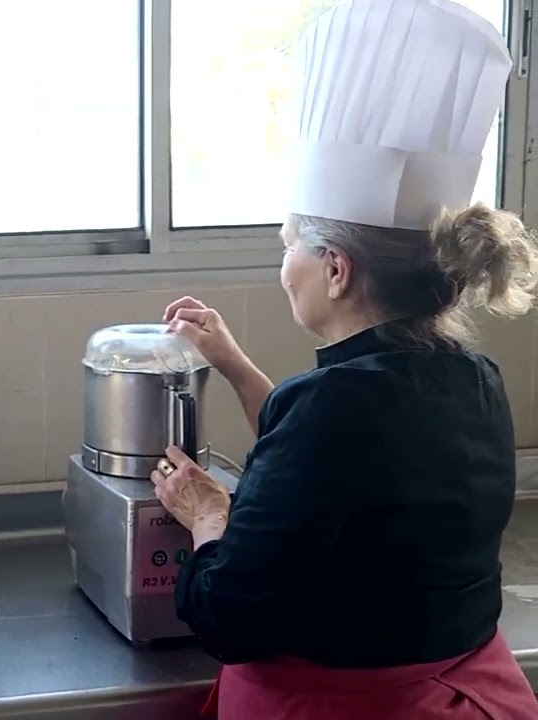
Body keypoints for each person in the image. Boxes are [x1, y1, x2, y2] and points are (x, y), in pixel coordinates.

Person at [149, 1, 538, 719]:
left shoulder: (334, 410)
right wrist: (233, 362)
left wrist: (207, 515)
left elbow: (226, 619)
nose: (283, 263)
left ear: (335, 269)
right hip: (473, 695)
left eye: (288, 243)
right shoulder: (470, 377)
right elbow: (344, 466)